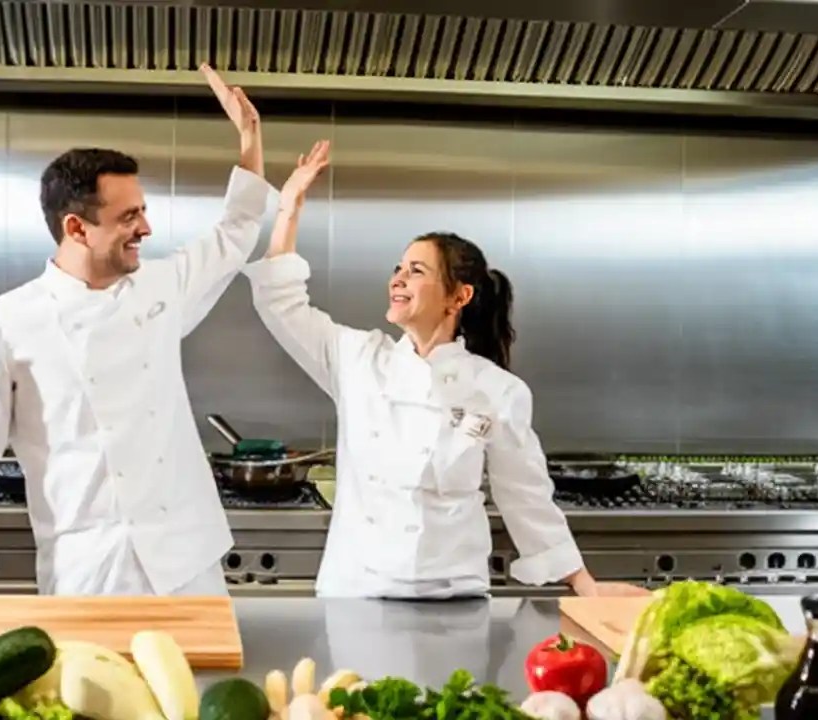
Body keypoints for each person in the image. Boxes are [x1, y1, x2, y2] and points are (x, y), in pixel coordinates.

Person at [0, 66, 298, 597]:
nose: (146, 229)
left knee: (203, 683)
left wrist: (250, 141)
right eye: (129, 216)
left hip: (189, 566)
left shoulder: (161, 286)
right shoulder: (5, 322)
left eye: (144, 211)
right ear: (76, 227)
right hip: (91, 570)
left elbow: (233, 234)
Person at [242, 141, 649, 599]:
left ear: (459, 297)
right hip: (356, 592)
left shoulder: (498, 391)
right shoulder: (355, 358)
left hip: (453, 595)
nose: (398, 278)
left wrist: (583, 585)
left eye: (416, 271)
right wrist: (289, 209)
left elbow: (526, 494)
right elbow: (280, 302)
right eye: (398, 268)